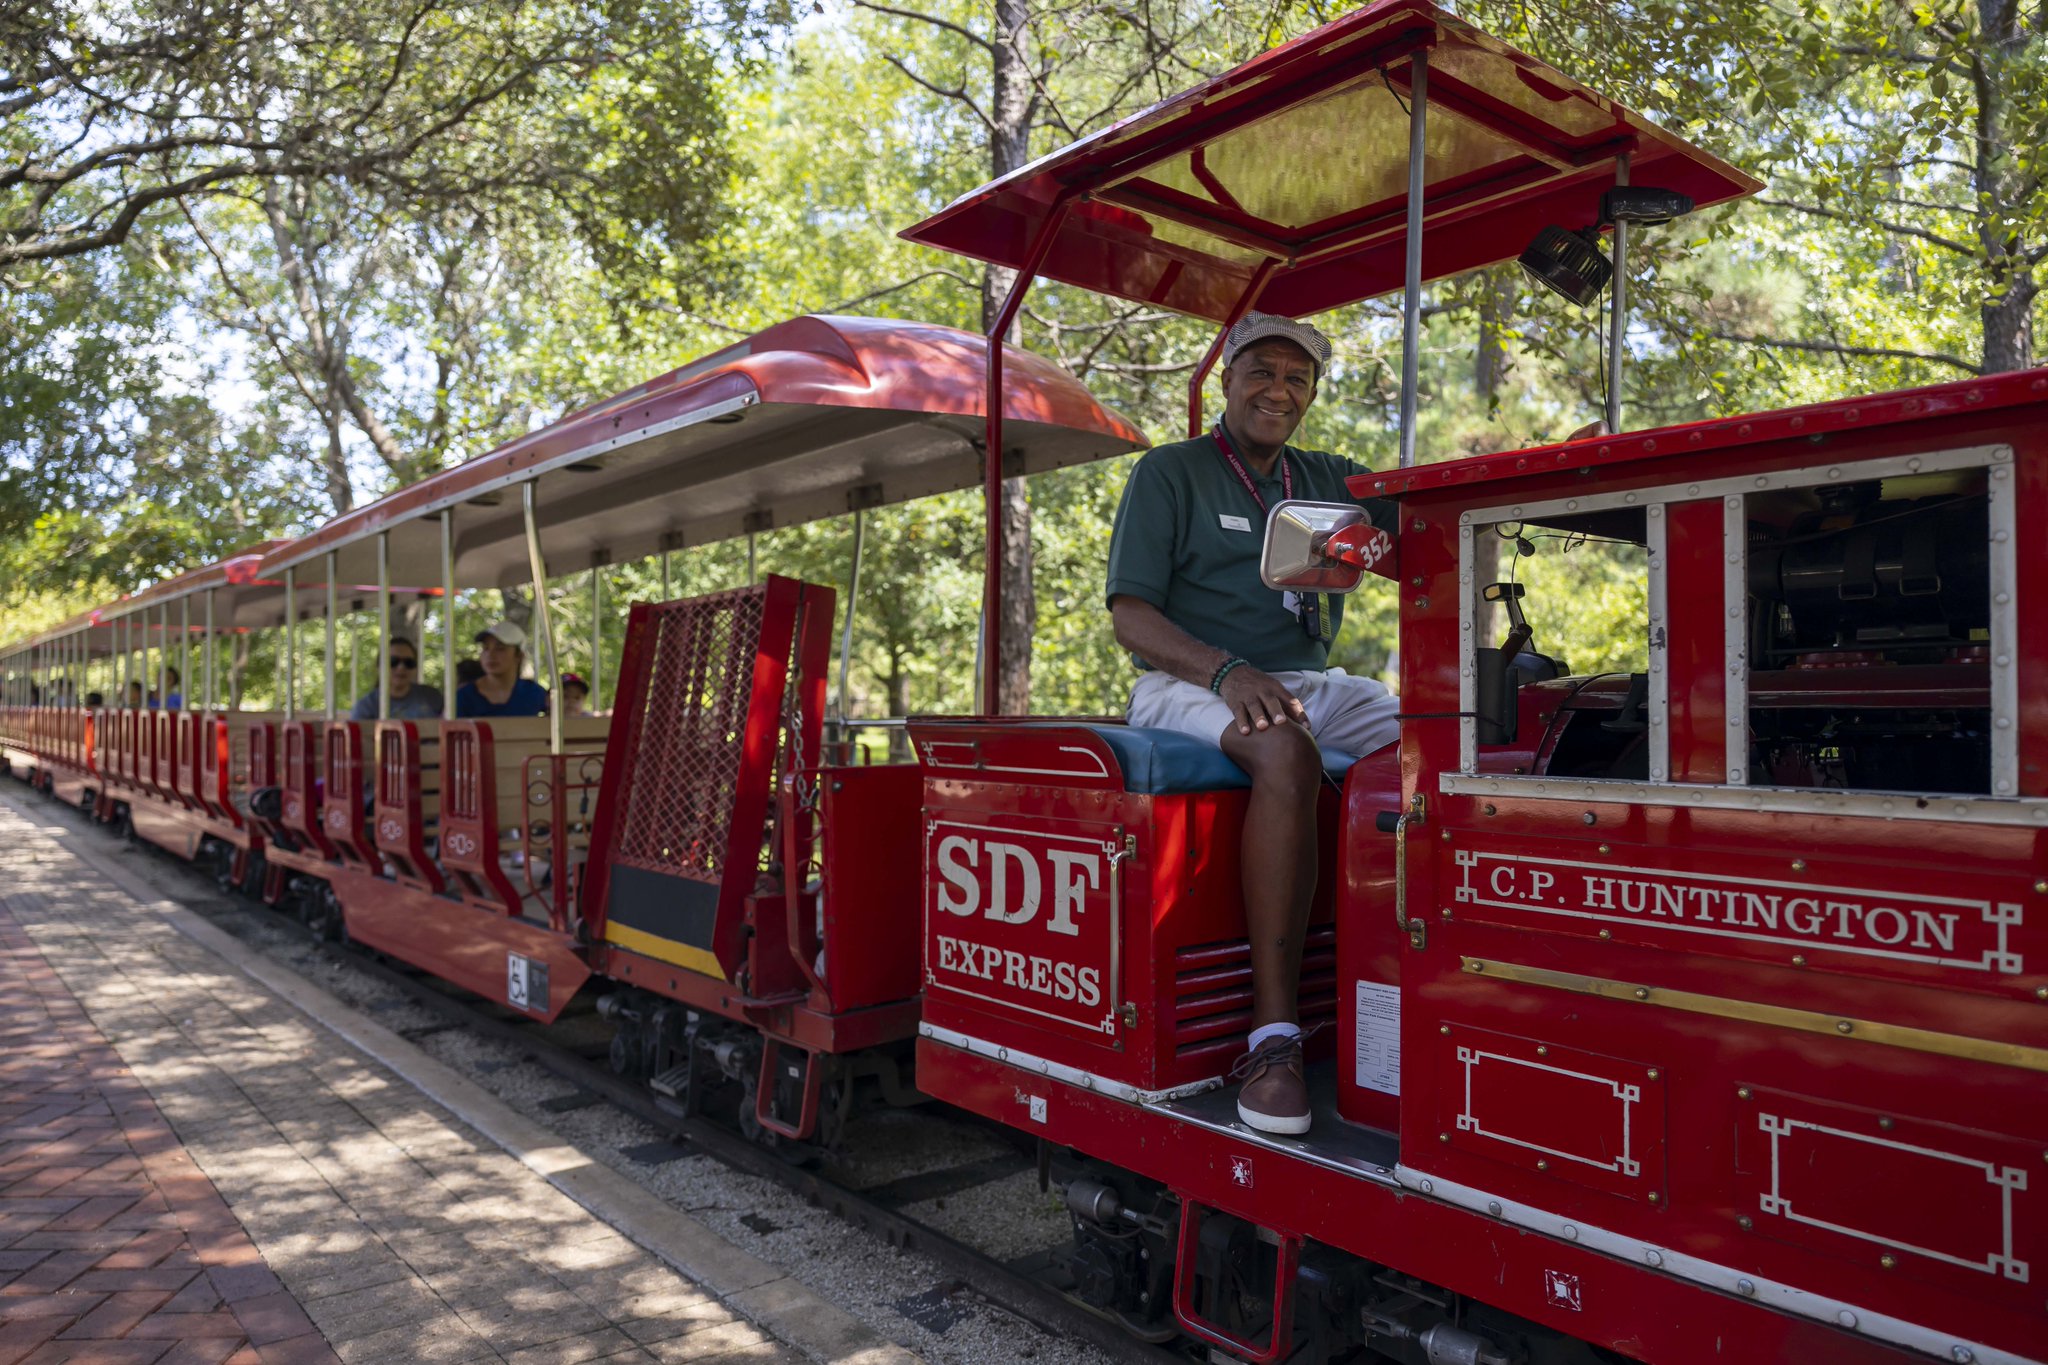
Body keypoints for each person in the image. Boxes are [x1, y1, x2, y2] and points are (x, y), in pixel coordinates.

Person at [1104, 312, 1400, 1137]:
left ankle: (1414, 987)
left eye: (1298, 378)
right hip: (1189, 680)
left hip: (1311, 678)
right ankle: (1274, 1038)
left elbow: (1428, 540)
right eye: (1263, 371)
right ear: (1229, 378)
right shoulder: (1173, 473)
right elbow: (1131, 616)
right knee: (1283, 747)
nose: (1280, 390)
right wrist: (1228, 672)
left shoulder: (1332, 478)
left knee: (1440, 742)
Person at [456, 621, 549, 717]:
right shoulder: (463, 697)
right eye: (486, 648)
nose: (490, 655)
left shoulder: (534, 693)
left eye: (500, 648)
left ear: (519, 656)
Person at [350, 638, 444, 721]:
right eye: (393, 661)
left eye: (409, 662)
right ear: (379, 666)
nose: (401, 667)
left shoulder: (432, 696)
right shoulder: (366, 707)